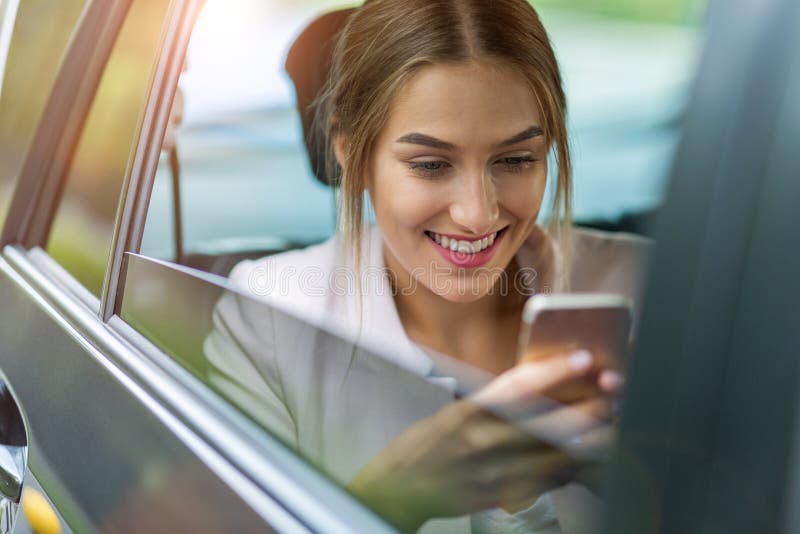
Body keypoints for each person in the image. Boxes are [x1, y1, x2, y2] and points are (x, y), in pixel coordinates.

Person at [204, 0, 650, 531]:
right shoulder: (270, 317)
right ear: (351, 152)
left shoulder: (653, 288)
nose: (477, 213)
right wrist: (391, 497)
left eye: (515, 160)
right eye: (431, 165)